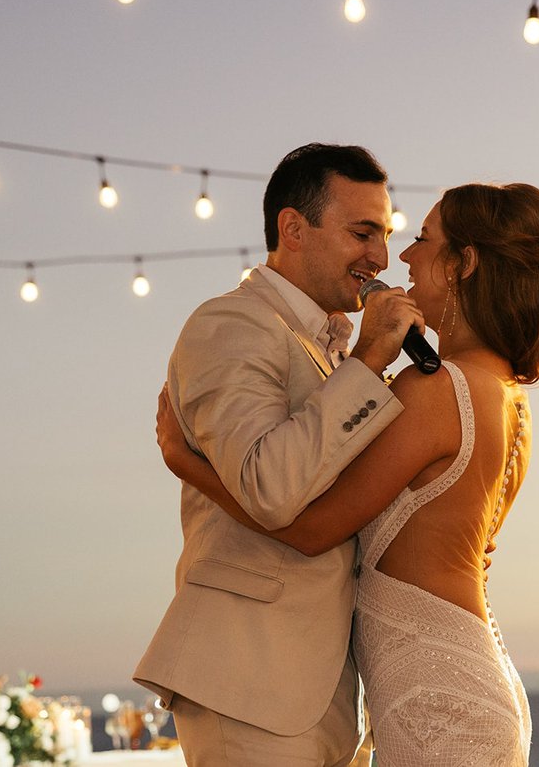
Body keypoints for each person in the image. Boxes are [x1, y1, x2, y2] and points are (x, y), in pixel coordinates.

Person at [157, 183, 539, 765]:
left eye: (424, 240)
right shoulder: (506, 398)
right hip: (466, 677)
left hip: (435, 697)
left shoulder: (433, 389)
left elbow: (310, 529)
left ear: (464, 263)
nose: (401, 257)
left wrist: (188, 464)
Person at [133, 143, 423, 766]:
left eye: (386, 234)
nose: (381, 256)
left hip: (329, 695)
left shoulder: (329, 348)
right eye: (363, 232)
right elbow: (269, 485)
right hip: (250, 681)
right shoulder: (230, 324)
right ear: (293, 229)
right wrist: (371, 362)